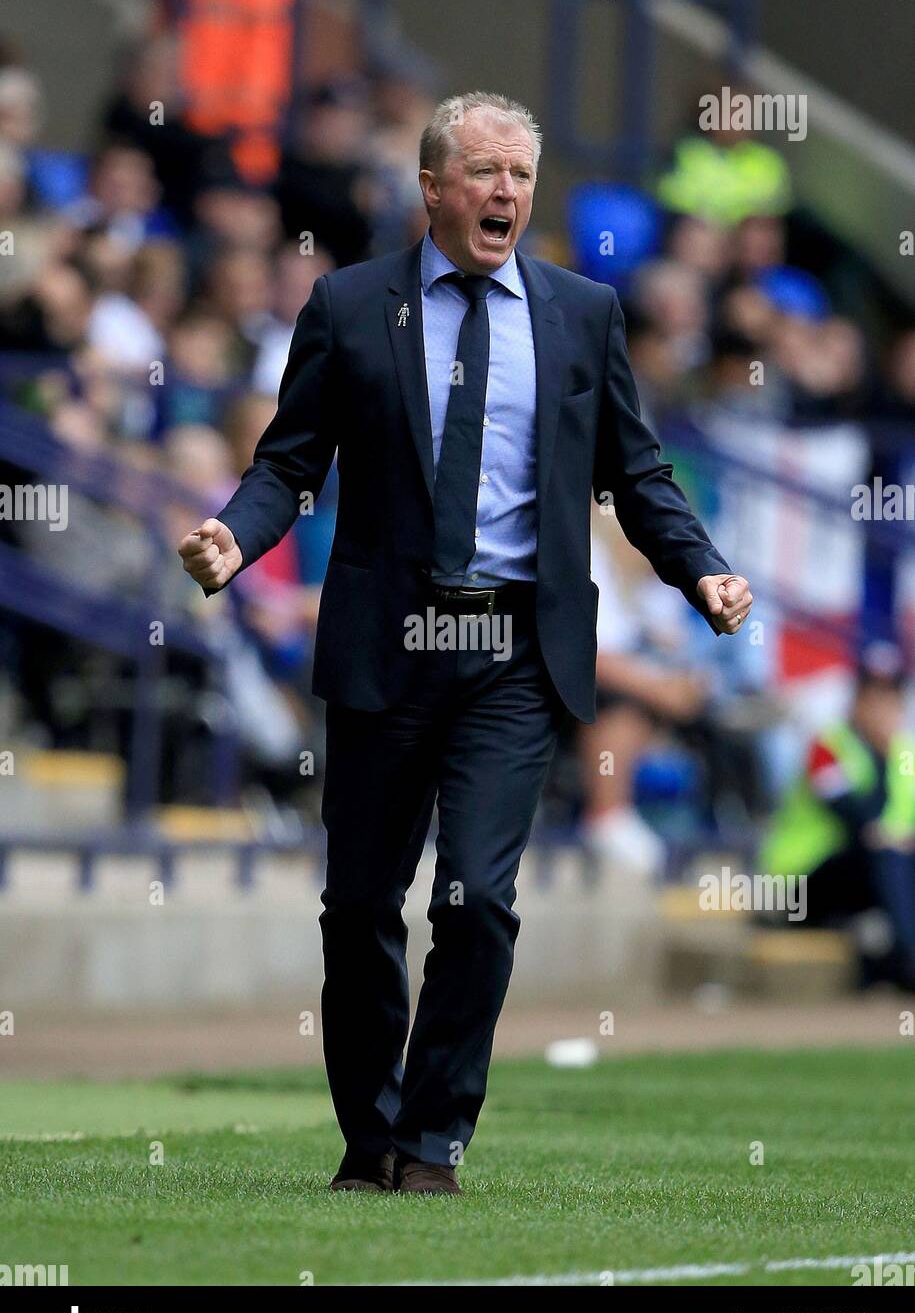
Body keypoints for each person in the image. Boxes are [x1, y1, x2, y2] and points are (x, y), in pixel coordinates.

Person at [178, 92, 750, 1195]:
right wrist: (231, 541)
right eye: (483, 172)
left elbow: (637, 472)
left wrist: (701, 570)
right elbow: (286, 462)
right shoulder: (348, 307)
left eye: (521, 175)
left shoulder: (583, 312)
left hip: (514, 650)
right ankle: (370, 1133)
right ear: (431, 189)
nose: (505, 193)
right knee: (358, 907)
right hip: (388, 644)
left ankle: (435, 1136)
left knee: (476, 900)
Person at [759, 644, 915, 989]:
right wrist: (885, 758)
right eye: (874, 699)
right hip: (799, 882)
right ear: (856, 702)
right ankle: (909, 962)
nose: (883, 710)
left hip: (863, 877)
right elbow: (859, 818)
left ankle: (899, 959)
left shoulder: (907, 754)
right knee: (884, 852)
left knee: (893, 855)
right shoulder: (828, 744)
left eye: (891, 700)